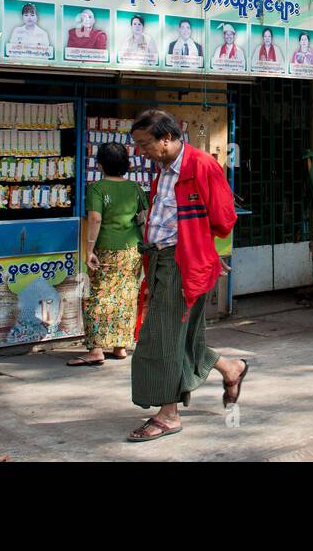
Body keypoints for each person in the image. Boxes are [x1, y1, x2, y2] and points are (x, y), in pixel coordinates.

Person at [126, 109, 248, 442]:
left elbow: (224, 218)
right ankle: (231, 368)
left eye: (144, 143)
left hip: (183, 262)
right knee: (181, 337)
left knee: (161, 337)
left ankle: (168, 415)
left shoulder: (202, 166)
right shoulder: (164, 170)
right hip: (161, 261)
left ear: (166, 138)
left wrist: (208, 254)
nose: (140, 151)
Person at [70, 142, 148, 367]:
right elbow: (144, 218)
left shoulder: (97, 188)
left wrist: (89, 249)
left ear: (101, 165)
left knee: (97, 296)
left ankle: (95, 349)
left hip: (105, 250)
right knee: (126, 296)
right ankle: (120, 346)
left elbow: (95, 218)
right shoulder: (135, 188)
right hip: (131, 250)